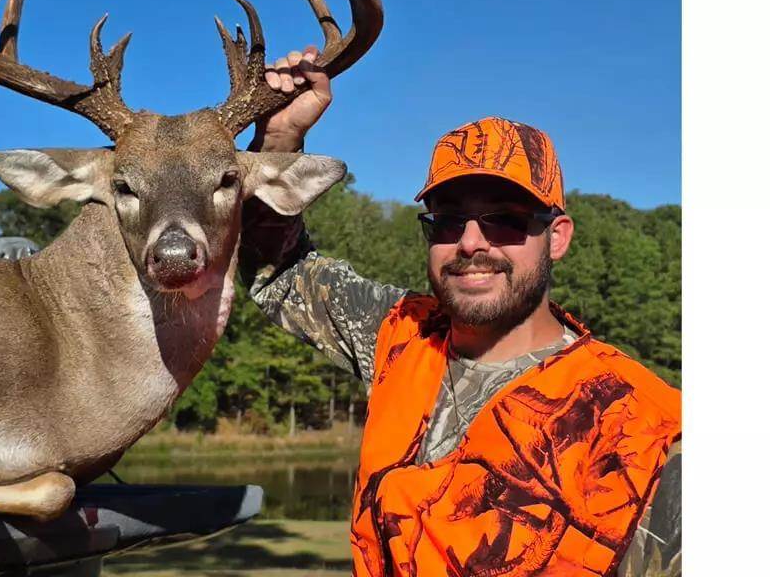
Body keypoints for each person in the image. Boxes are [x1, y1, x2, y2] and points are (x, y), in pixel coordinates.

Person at [240, 47, 681, 577]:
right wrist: (279, 143)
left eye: (505, 220)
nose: (471, 243)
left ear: (556, 237)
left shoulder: (641, 423)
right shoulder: (401, 334)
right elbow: (277, 270)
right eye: (447, 222)